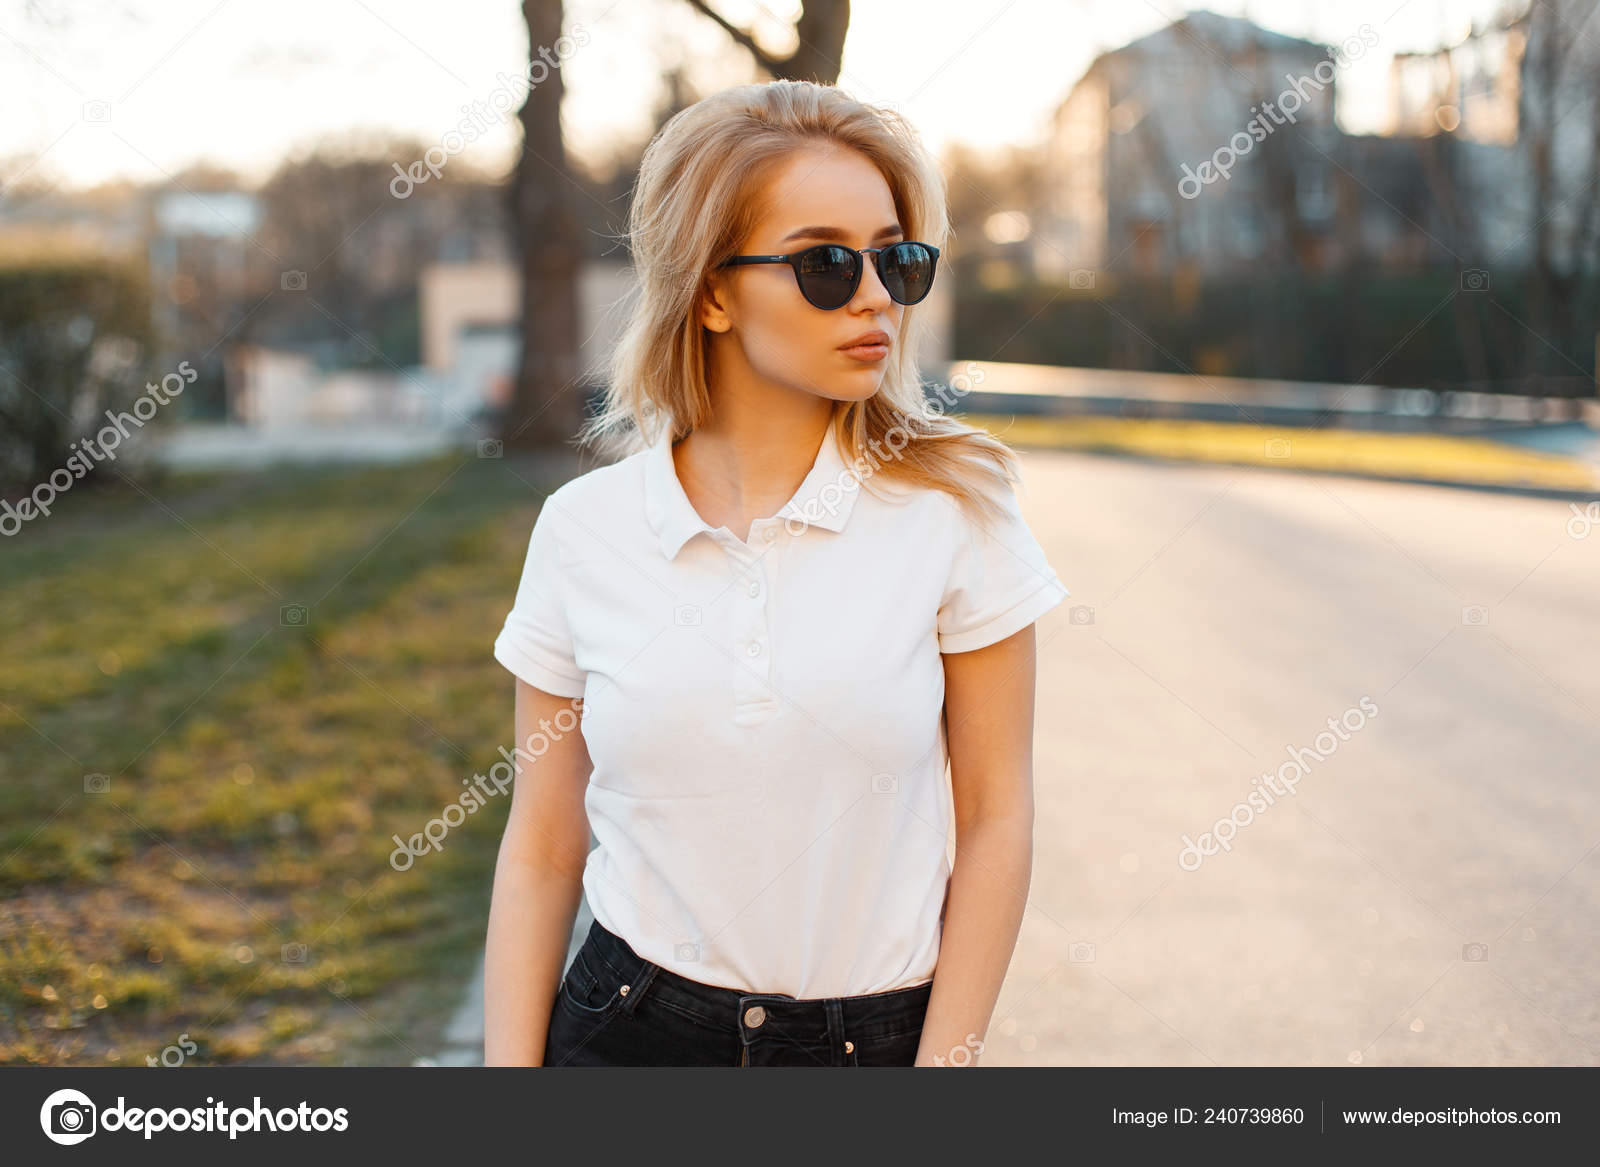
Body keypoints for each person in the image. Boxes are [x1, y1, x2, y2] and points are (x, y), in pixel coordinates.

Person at [483, 78, 1068, 1067]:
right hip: (626, 1032)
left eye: (897, 257)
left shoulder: (958, 506)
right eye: (828, 264)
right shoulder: (582, 531)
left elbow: (996, 819)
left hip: (872, 1042)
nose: (876, 293)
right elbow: (543, 846)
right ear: (710, 291)